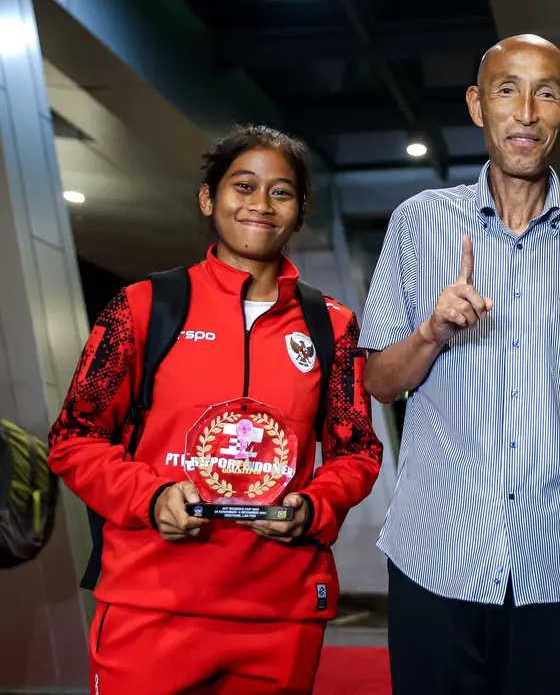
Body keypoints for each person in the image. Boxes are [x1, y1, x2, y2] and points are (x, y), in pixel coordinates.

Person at [358, 34, 560, 695]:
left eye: (545, 94)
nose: (525, 111)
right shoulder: (417, 223)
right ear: (476, 105)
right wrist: (433, 331)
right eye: (506, 90)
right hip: (437, 548)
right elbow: (379, 382)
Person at [48, 125, 384, 694]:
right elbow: (73, 437)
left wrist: (314, 506)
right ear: (209, 198)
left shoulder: (333, 326)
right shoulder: (142, 307)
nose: (261, 204)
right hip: (151, 606)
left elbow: (357, 452)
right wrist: (151, 497)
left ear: (300, 212)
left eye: (282, 192)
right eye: (243, 186)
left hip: (280, 613)